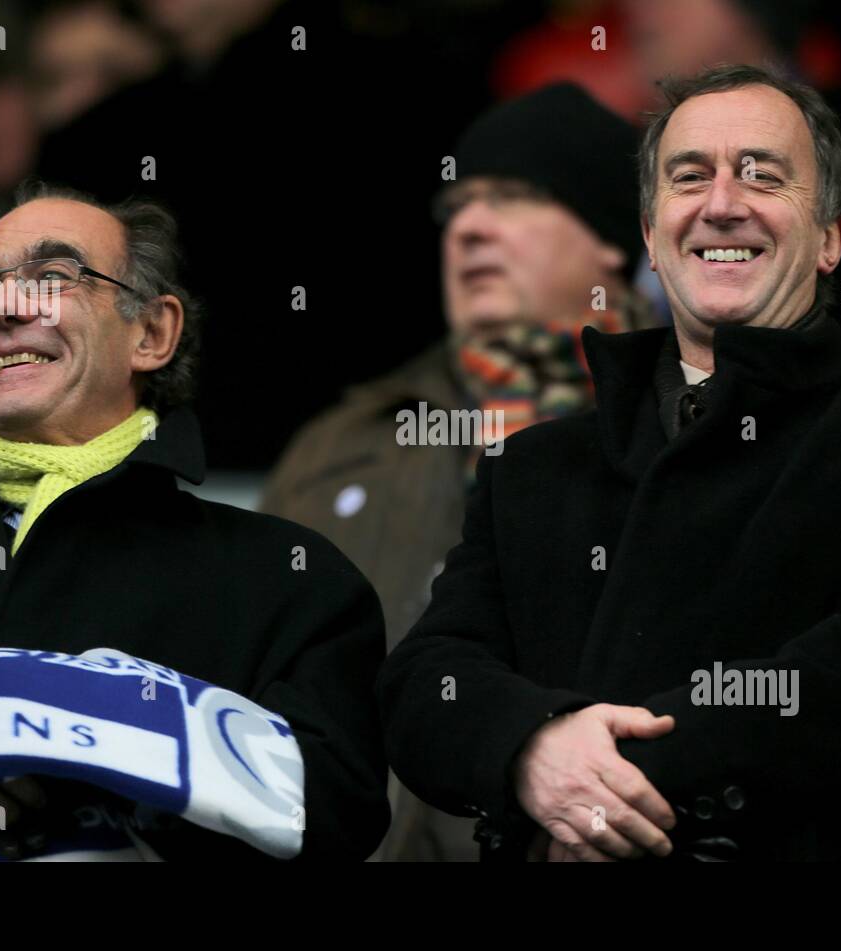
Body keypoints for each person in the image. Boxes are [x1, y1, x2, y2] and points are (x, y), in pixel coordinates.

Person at [378, 64, 841, 862]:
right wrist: (534, 746)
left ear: (831, 236)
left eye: (761, 174)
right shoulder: (536, 463)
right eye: (690, 177)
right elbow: (427, 680)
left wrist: (608, 775)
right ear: (652, 238)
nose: (722, 203)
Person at [0, 180, 389, 861]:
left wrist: (107, 739)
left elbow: (338, 815)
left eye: (52, 277)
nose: (3, 307)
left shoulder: (287, 577)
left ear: (152, 332)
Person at [260, 83, 656, 860]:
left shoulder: (678, 428)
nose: (469, 227)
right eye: (457, 207)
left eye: (511, 198)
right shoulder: (343, 439)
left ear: (613, 239)